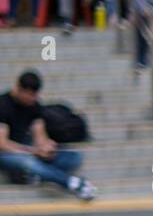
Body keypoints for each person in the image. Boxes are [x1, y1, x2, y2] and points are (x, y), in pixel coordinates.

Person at [0, 70, 96, 200]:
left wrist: (46, 147)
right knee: (29, 163)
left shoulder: (34, 105)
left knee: (74, 157)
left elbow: (39, 132)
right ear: (19, 89)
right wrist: (32, 151)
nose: (32, 99)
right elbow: (3, 144)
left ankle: (36, 175)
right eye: (29, 95)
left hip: (29, 151)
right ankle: (71, 183)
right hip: (7, 154)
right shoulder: (3, 104)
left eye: (35, 95)